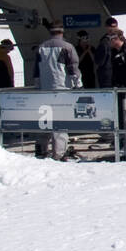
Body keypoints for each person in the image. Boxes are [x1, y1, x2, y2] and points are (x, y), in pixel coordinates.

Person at [35, 22, 81, 160]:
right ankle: (59, 154)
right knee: (60, 122)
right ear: (62, 32)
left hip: (44, 89)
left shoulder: (41, 47)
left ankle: (41, 150)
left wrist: (38, 86)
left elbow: (36, 70)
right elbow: (73, 68)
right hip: (62, 89)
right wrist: (78, 85)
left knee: (44, 120)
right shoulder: (67, 47)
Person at [92, 17, 120, 86]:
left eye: (115, 26)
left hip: (118, 73)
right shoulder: (104, 41)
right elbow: (99, 60)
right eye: (111, 27)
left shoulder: (121, 39)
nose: (113, 29)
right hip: (108, 75)